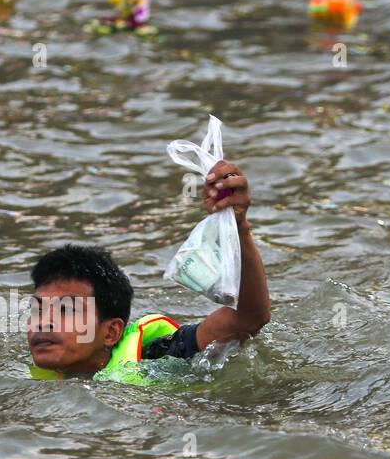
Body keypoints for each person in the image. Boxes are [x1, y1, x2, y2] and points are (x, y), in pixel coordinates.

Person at [27, 160, 271, 380]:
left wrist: (239, 227)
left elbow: (249, 318)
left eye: (66, 311)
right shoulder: (36, 377)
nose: (43, 324)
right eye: (38, 310)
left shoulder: (160, 357)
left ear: (111, 332)